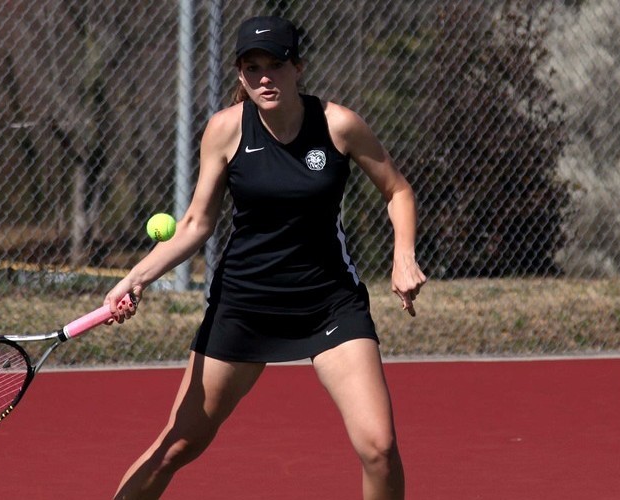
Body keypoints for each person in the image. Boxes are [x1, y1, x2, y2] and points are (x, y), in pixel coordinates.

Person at [103, 15, 427, 500]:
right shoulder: (225, 130)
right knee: (176, 446)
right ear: (240, 74)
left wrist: (404, 255)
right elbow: (195, 224)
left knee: (379, 448)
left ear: (298, 67)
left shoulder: (338, 125)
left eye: (275, 64)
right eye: (252, 68)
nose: (264, 78)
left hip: (329, 306)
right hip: (245, 307)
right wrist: (136, 277)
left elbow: (397, 190)